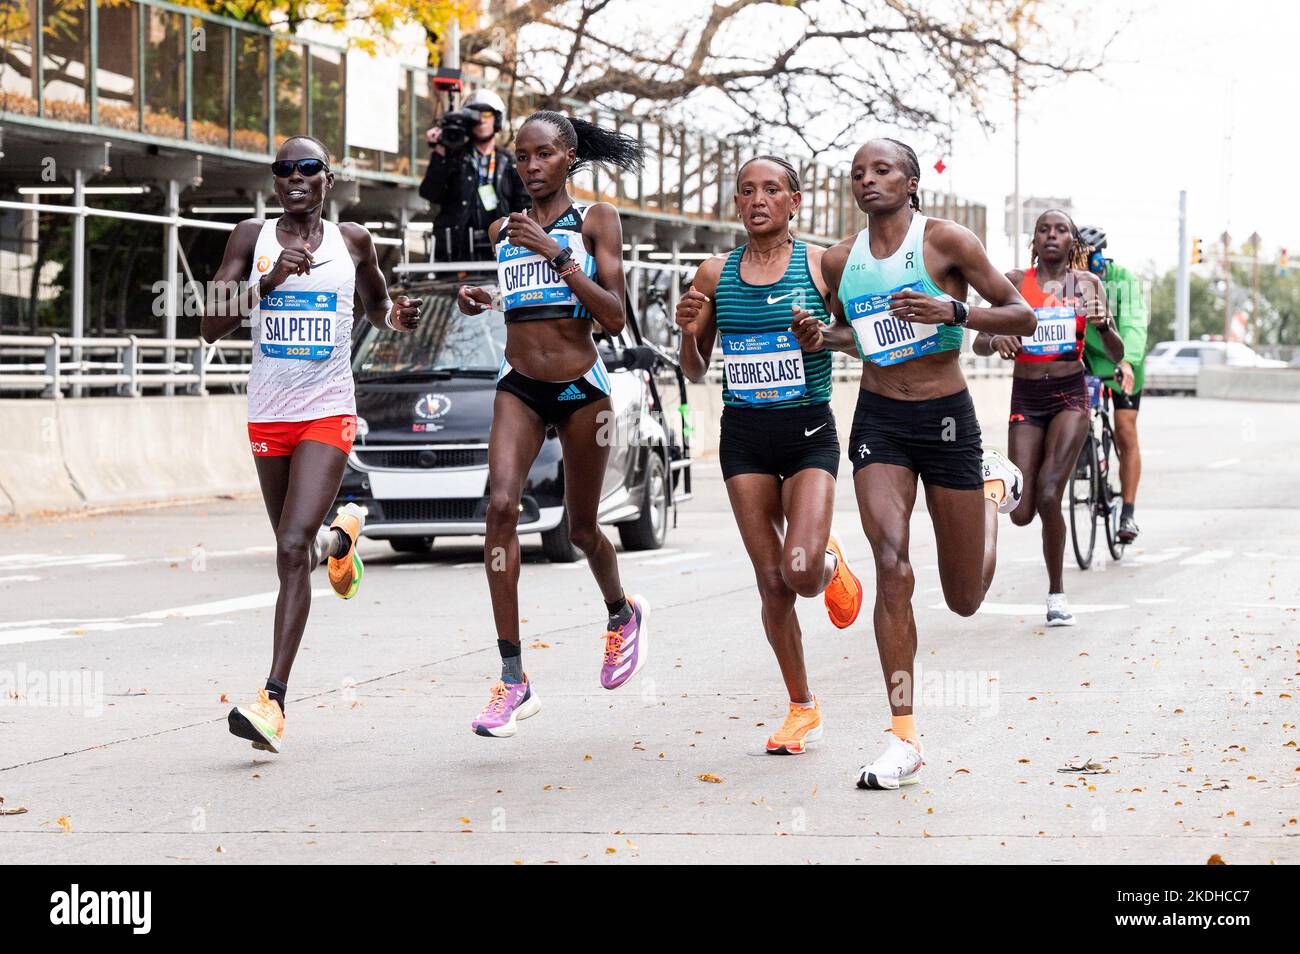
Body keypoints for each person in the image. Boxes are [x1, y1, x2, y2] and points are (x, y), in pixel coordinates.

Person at [807, 137, 1033, 790]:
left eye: (882, 170)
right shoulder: (840, 259)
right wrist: (823, 336)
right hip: (880, 421)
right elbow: (854, 336)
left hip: (946, 418)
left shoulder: (946, 243)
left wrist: (953, 311)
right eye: (857, 173)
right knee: (890, 562)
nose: (867, 180)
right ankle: (903, 738)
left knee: (964, 598)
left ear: (910, 183)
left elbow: (1019, 315)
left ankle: (994, 488)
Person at [203, 135, 423, 753]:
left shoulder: (354, 242)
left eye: (308, 169)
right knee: (294, 547)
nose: (294, 178)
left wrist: (396, 319)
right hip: (268, 415)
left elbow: (377, 306)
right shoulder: (250, 238)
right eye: (283, 170)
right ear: (274, 181)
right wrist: (266, 282)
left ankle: (272, 700)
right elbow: (210, 326)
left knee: (290, 543)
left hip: (328, 411)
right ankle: (343, 539)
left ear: (329, 179)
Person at [456, 111, 647, 738]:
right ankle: (514, 680)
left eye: (542, 156)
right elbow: (518, 302)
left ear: (567, 157)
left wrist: (561, 257)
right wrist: (479, 300)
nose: (530, 167)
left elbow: (614, 317)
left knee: (585, 525)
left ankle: (620, 614)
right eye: (521, 158)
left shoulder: (597, 221)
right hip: (521, 385)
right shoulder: (501, 229)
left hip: (580, 388)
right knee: (502, 507)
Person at [674, 156, 863, 756]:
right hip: (745, 437)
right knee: (772, 583)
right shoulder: (713, 273)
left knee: (801, 572)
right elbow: (696, 368)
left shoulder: (820, 265)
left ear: (794, 201)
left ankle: (829, 564)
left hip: (808, 431)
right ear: (736, 203)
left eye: (772, 189)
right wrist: (685, 331)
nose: (758, 199)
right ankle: (802, 708)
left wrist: (823, 336)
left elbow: (858, 338)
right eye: (747, 190)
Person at [973, 210, 1123, 626]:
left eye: (1061, 230)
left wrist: (1103, 323)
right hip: (1027, 395)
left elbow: (1116, 352)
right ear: (1033, 241)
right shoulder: (1014, 283)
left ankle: (1057, 594)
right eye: (1044, 230)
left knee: (1049, 493)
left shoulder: (1087, 284)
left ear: (1072, 242)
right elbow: (979, 340)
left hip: (1069, 395)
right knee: (1021, 511)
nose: (1051, 236)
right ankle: (995, 481)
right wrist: (997, 336)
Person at [1079, 225, 1148, 543]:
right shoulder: (1066, 281)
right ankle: (1089, 460)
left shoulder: (1123, 280)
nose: (1076, 264)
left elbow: (1134, 323)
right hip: (1089, 359)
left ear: (1098, 259)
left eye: (1084, 258)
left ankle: (1129, 514)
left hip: (1123, 361)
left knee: (1124, 430)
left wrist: (1127, 361)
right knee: (1074, 416)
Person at [418, 89, 530, 261]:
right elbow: (430, 193)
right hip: (456, 255)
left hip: (501, 253)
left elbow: (524, 206)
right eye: (474, 115)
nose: (480, 121)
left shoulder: (510, 162)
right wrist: (440, 153)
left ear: (497, 119)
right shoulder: (452, 157)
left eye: (486, 114)